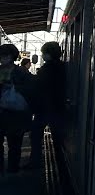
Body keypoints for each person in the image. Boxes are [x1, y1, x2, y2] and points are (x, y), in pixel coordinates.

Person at [28, 41, 66, 170]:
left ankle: (35, 162)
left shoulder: (47, 69)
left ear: (49, 54)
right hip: (58, 107)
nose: (42, 55)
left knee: (35, 135)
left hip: (44, 108)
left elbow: (39, 87)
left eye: (43, 53)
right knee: (57, 138)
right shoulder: (63, 67)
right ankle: (60, 163)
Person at [0, 44, 35, 174]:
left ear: (12, 57)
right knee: (12, 144)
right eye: (1, 56)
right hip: (4, 112)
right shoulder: (20, 71)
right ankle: (4, 169)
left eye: (5, 56)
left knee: (14, 144)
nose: (2, 58)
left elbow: (30, 90)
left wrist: (14, 88)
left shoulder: (21, 72)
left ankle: (12, 169)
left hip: (15, 114)